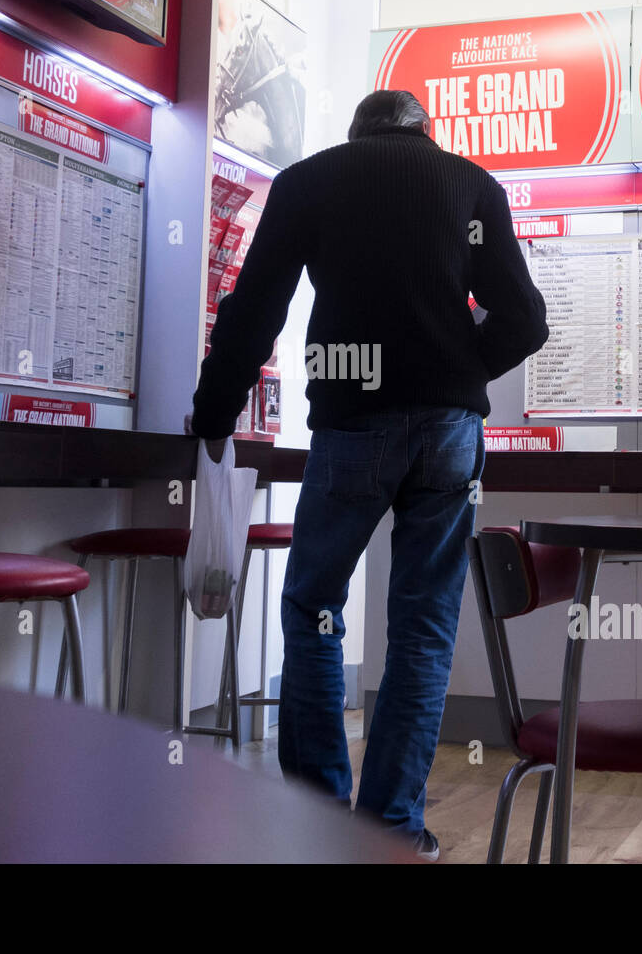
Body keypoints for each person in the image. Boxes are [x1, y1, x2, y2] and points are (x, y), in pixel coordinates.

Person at [189, 89, 548, 860]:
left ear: (356, 133)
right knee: (422, 625)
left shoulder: (312, 182)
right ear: (425, 132)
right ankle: (391, 833)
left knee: (316, 603)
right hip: (451, 435)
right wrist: (455, 372)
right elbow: (526, 319)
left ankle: (318, 827)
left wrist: (213, 416)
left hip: (352, 426)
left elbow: (255, 312)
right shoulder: (471, 186)